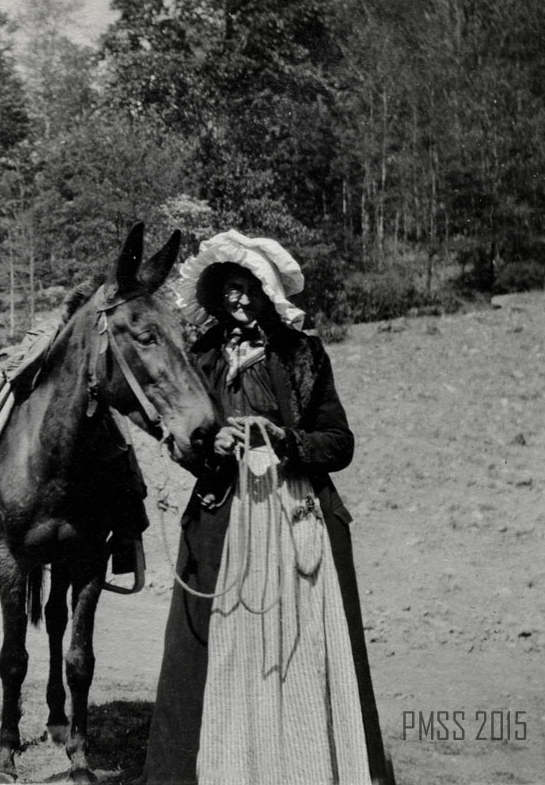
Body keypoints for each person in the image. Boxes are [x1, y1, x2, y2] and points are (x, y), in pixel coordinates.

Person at [143, 231, 394, 785]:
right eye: (229, 289)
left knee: (300, 644)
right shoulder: (202, 356)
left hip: (293, 510)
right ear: (215, 295)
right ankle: (220, 765)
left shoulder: (301, 353)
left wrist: (286, 440)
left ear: (268, 291)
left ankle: (303, 762)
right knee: (216, 644)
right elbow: (182, 437)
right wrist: (213, 446)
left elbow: (339, 442)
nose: (239, 299)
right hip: (224, 512)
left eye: (249, 288)